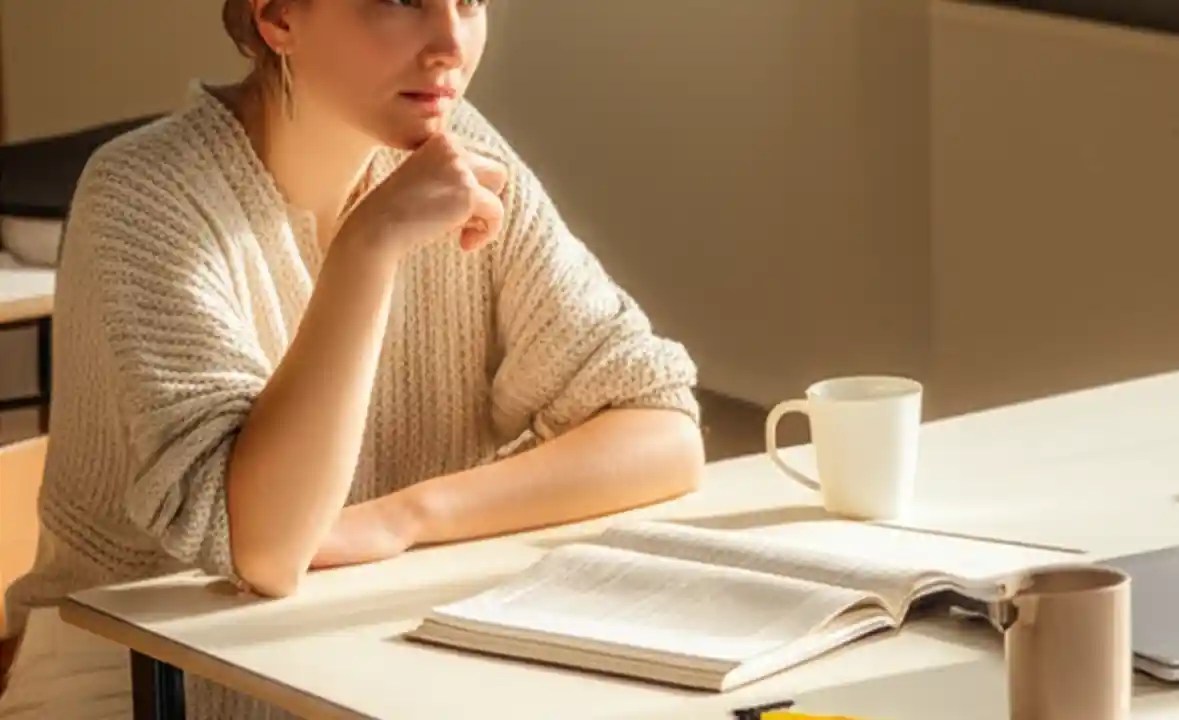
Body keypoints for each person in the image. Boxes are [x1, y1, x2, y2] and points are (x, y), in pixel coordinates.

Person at [0, 0, 704, 717]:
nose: (450, 43)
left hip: (359, 659)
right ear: (277, 18)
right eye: (400, 1)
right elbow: (266, 549)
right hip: (138, 680)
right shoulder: (142, 195)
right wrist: (370, 245)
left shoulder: (461, 156)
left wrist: (405, 518)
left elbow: (662, 428)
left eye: (471, 1)